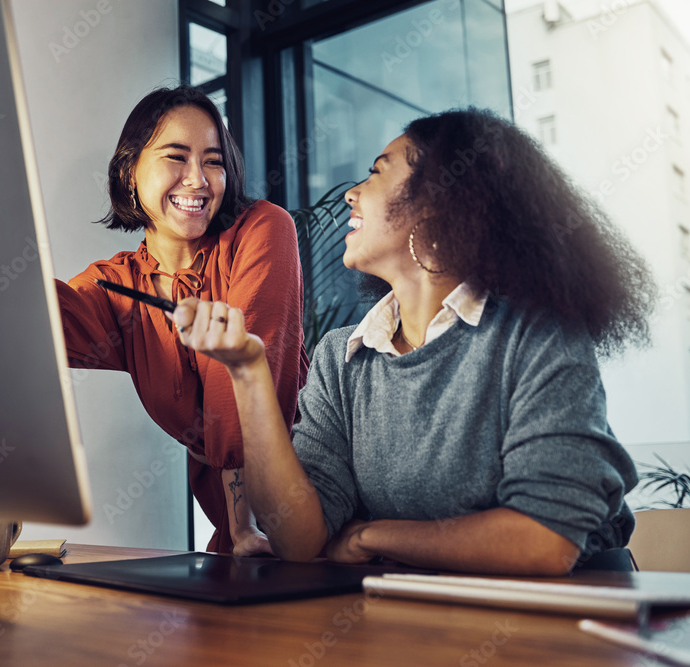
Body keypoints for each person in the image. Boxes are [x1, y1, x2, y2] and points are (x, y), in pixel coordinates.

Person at [171, 107, 656, 575]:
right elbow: (299, 540)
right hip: (427, 617)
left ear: (439, 205)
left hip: (573, 621)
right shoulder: (341, 359)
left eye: (377, 174)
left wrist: (369, 537)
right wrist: (247, 371)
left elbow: (544, 543)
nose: (351, 195)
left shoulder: (535, 336)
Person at [56, 86, 309, 556]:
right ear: (129, 172)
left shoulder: (263, 228)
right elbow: (31, 327)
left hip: (306, 510)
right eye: (176, 157)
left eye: (213, 161)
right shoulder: (116, 284)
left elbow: (236, 384)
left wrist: (241, 530)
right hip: (240, 535)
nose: (198, 180)